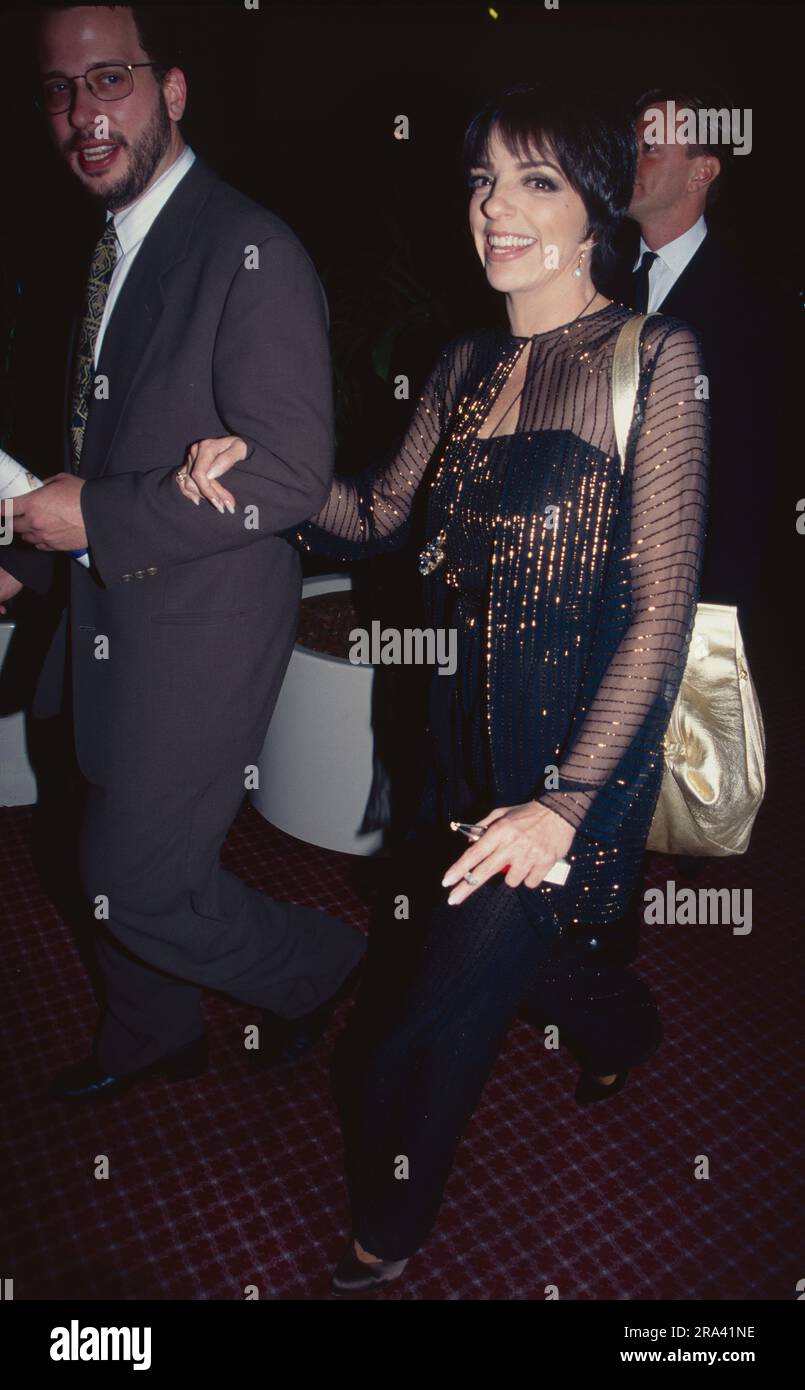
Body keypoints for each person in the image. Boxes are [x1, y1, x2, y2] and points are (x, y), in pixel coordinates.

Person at [179, 84, 709, 1293]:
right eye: (481, 179)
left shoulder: (654, 360)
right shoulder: (464, 361)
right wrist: (261, 469)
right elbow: (369, 515)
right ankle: (617, 1024)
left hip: (571, 766)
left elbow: (660, 612)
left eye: (536, 183)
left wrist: (567, 800)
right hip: (449, 751)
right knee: (553, 968)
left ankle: (387, 1232)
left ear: (593, 214)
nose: (496, 209)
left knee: (414, 1033)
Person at [0, 3, 365, 1100]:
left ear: (173, 89)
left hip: (202, 627)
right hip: (109, 611)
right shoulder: (119, 241)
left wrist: (96, 519)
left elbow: (292, 476)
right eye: (61, 90)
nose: (81, 113)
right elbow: (114, 444)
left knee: (133, 879)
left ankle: (325, 966)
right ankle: (152, 1033)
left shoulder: (251, 247)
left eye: (107, 78)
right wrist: (35, 560)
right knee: (101, 838)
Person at [608, 88, 793, 664]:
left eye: (652, 148)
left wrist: (711, 627)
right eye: (631, 144)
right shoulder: (596, 283)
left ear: (702, 173)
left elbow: (749, 483)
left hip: (687, 608)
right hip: (590, 593)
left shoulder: (755, 310)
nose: (630, 158)